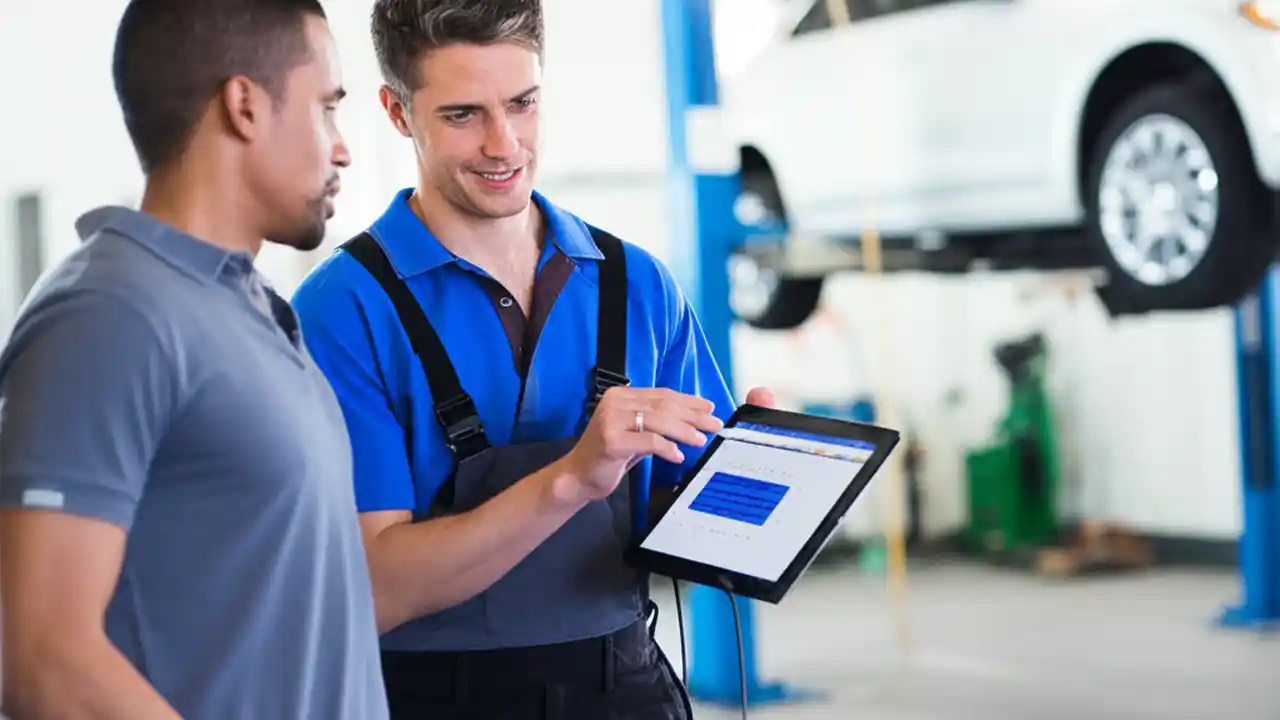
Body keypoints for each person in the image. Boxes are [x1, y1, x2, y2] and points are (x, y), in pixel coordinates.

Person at [290, 1, 773, 718]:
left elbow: (686, 517)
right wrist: (575, 475)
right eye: (463, 115)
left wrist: (759, 487)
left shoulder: (635, 283)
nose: (504, 143)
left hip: (623, 683)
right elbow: (375, 590)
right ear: (398, 113)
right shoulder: (342, 309)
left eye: (522, 103)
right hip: (429, 697)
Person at [0, 1, 388, 718]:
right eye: (326, 108)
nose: (342, 149)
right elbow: (42, 660)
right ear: (244, 104)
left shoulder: (247, 306)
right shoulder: (109, 316)